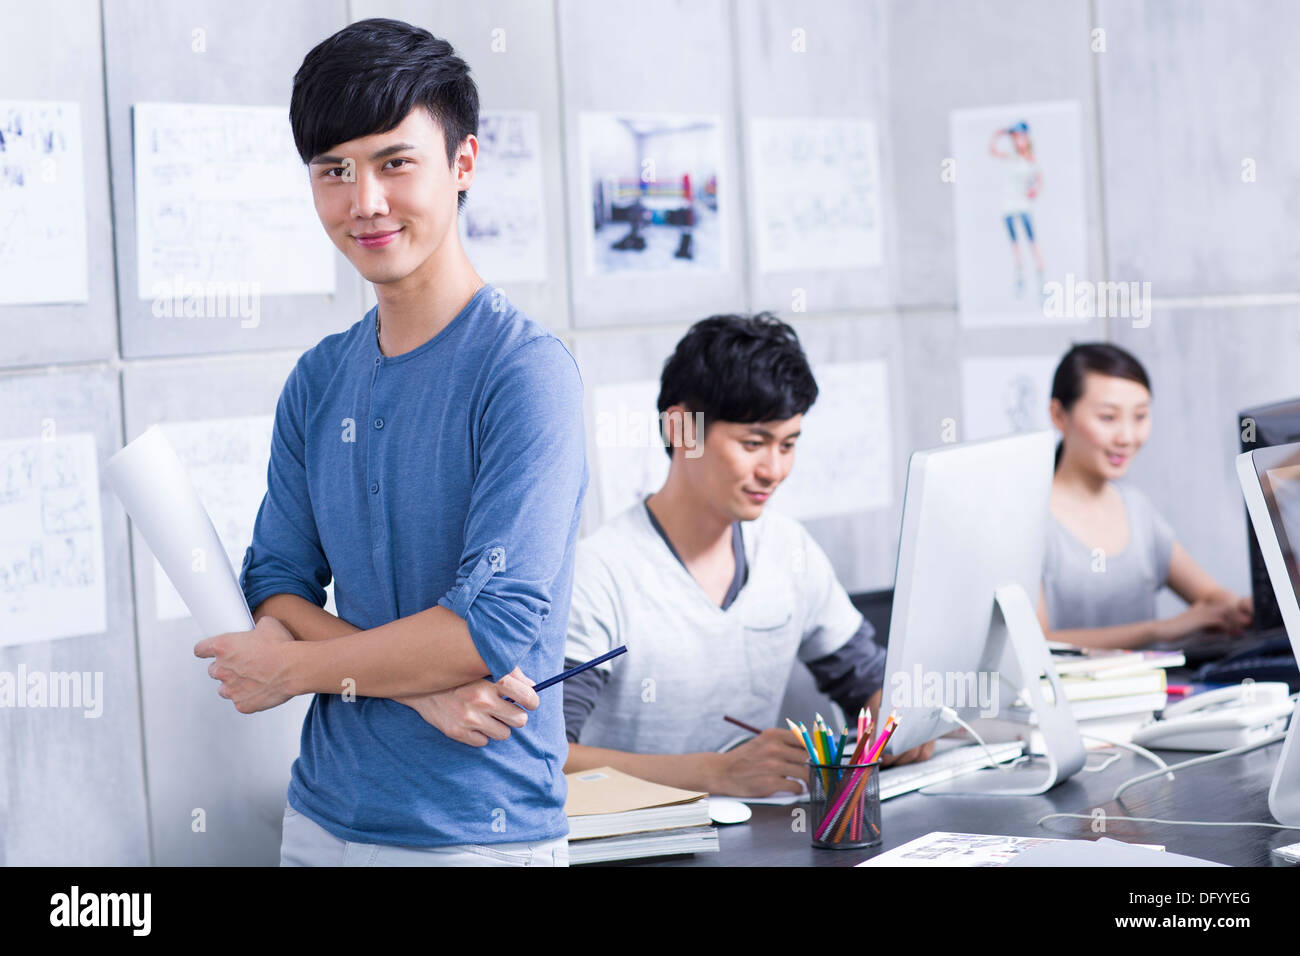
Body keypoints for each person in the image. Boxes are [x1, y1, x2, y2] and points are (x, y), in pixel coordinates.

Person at [193, 19, 587, 867]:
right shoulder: (318, 378)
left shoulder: (526, 374)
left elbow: (487, 632)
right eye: (334, 170)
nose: (363, 201)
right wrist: (419, 694)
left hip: (473, 836)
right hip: (321, 817)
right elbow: (277, 585)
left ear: (464, 165)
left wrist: (297, 668)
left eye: (393, 162)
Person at [561, 313, 933, 799]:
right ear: (681, 429)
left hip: (766, 838)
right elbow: (551, 756)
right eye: (753, 443)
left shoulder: (789, 549)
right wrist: (714, 774)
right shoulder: (600, 573)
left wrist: (899, 725)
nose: (773, 470)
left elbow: (862, 679)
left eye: (789, 445)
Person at [1035, 343, 1251, 650]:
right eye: (1108, 417)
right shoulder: (1031, 522)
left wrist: (1240, 608)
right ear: (1059, 415)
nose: (1127, 437)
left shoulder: (1135, 508)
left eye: (1139, 417)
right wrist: (1159, 630)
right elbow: (1038, 642)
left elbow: (1210, 596)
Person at [989, 120, 1044, 299]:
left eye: (1021, 137)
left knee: (1032, 243)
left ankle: (1041, 281)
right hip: (1008, 207)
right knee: (1015, 245)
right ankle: (1020, 279)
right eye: (1016, 138)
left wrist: (1034, 190)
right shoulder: (1012, 157)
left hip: (1023, 205)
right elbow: (993, 151)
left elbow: (1039, 179)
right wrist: (999, 134)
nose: (1018, 141)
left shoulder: (1031, 160)